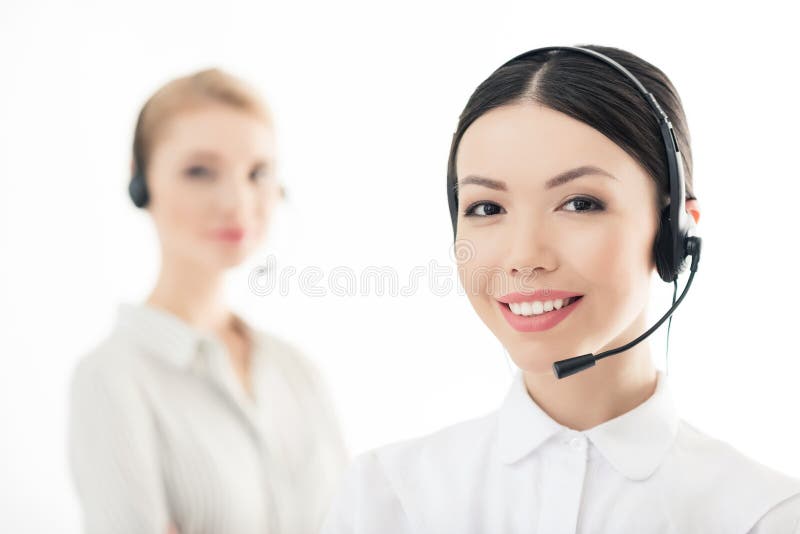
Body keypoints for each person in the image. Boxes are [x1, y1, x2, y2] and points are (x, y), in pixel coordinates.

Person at [320, 45, 800, 533]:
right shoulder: (387, 499)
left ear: (674, 232)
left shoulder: (765, 515)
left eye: (580, 203)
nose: (524, 257)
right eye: (487, 208)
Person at [68, 68, 348, 534]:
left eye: (258, 172)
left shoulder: (297, 371)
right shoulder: (113, 379)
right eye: (201, 171)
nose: (237, 201)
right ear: (142, 184)